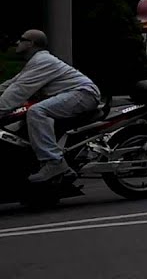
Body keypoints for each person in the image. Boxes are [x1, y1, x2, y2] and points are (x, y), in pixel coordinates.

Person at [1, 30, 102, 183]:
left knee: (37, 111)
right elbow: (11, 84)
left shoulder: (42, 61)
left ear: (31, 43)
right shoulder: (35, 62)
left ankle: (54, 162)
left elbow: (18, 91)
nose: (17, 43)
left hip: (83, 93)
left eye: (21, 39)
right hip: (72, 94)